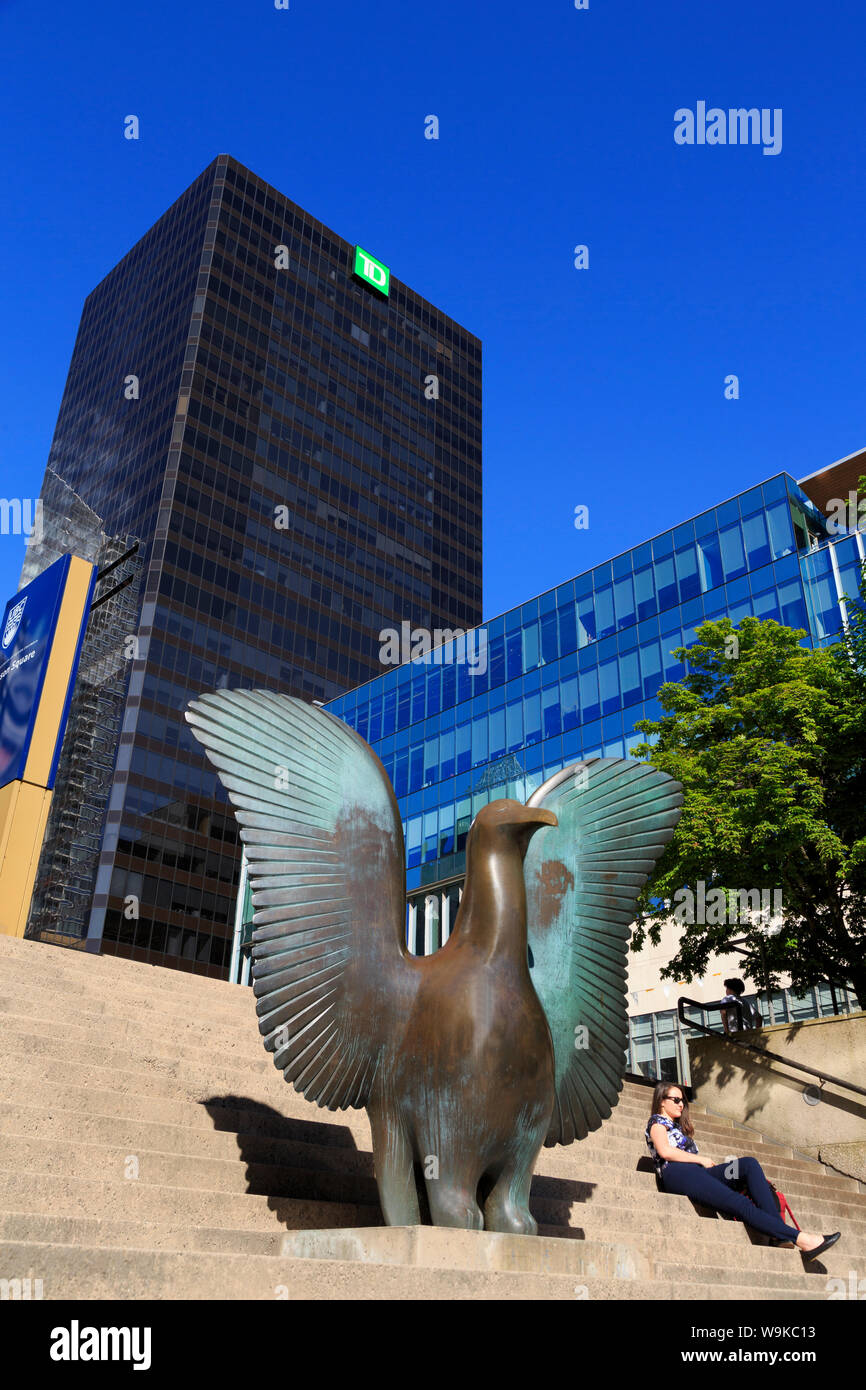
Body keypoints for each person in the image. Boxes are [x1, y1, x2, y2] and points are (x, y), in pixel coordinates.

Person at [645, 1081, 841, 1257]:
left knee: (747, 1165)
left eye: (683, 1100)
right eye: (676, 1099)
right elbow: (664, 1151)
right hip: (678, 1173)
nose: (681, 1104)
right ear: (662, 1101)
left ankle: (779, 1234)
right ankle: (804, 1240)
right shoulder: (656, 1122)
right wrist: (701, 1159)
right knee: (737, 1202)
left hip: (696, 1172)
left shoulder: (676, 1127)